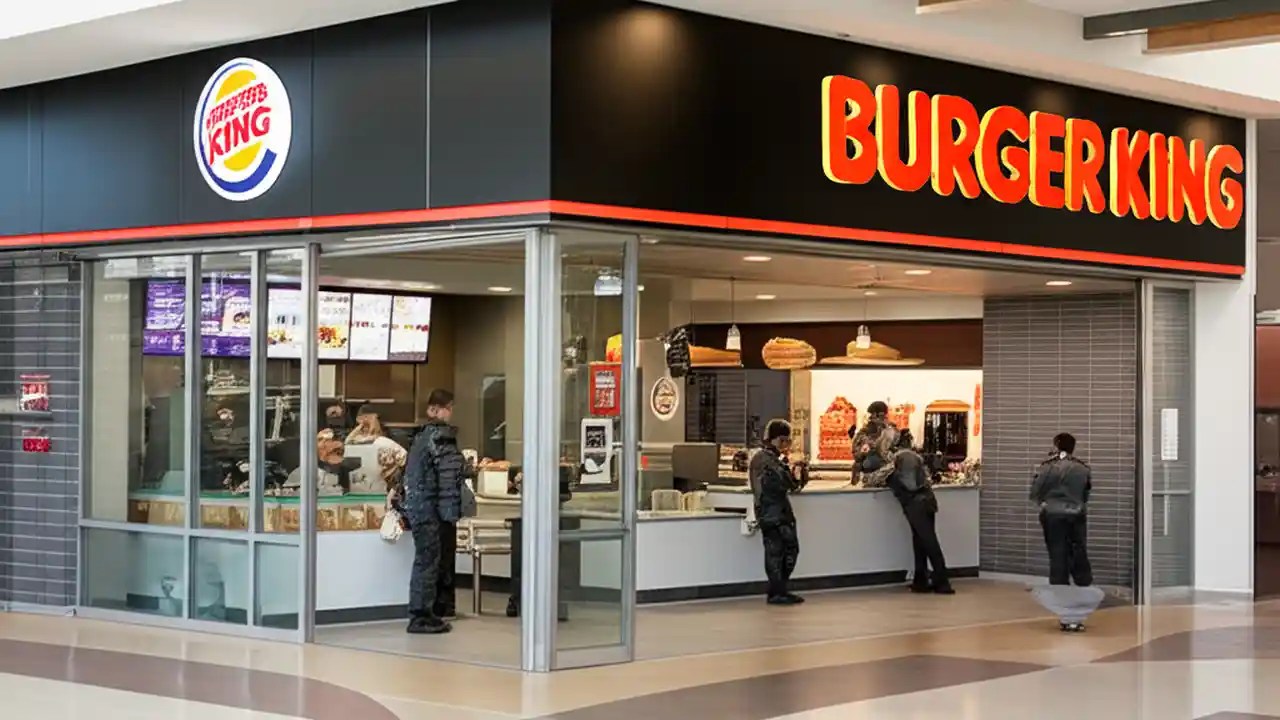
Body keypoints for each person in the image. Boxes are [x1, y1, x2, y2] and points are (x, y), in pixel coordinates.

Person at [402, 389, 465, 634]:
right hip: (431, 510)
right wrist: (450, 514)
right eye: (449, 407)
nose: (450, 412)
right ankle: (422, 616)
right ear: (438, 409)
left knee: (424, 561)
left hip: (418, 506)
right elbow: (448, 478)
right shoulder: (441, 437)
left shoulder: (418, 437)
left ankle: (422, 613)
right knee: (429, 562)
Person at [883, 428, 954, 594]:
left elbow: (910, 484)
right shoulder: (909, 457)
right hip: (925, 502)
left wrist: (888, 476)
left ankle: (941, 581)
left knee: (928, 542)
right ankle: (921, 580)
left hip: (917, 504)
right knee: (921, 542)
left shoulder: (904, 457)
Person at [750, 418, 806, 606]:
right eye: (783, 440)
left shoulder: (769, 459)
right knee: (778, 552)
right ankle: (777, 592)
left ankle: (779, 589)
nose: (785, 445)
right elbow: (784, 483)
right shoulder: (766, 460)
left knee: (786, 550)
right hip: (773, 512)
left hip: (774, 511)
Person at [1030, 433, 1094, 589]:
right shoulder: (1083, 468)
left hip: (1053, 514)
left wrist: (1043, 503)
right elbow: (1085, 494)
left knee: (1057, 549)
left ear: (1056, 446)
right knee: (1078, 547)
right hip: (1076, 512)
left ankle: (1060, 584)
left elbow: (1035, 492)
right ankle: (1082, 580)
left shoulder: (1046, 467)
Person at [345, 405, 408, 494]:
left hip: (386, 492)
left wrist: (394, 486)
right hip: (360, 492)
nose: (364, 426)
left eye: (368, 420)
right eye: (361, 424)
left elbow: (406, 465)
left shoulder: (388, 442)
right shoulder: (354, 443)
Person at [850, 401, 890, 485]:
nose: (884, 418)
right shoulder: (866, 432)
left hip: (887, 471)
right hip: (871, 471)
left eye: (884, 416)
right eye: (881, 416)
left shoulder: (889, 430)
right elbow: (857, 453)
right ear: (875, 415)